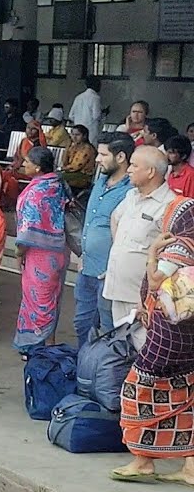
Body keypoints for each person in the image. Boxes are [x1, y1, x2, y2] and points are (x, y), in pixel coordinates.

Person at [110, 197, 194, 486]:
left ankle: (143, 461)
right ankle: (191, 467)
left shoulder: (179, 246)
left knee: (137, 389)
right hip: (187, 334)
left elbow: (157, 281)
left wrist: (152, 254)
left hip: (167, 335)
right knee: (185, 395)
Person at [107, 146, 178, 349]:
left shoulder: (170, 205)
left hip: (143, 298)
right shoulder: (131, 196)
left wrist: (151, 295)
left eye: (134, 165)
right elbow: (115, 218)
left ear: (151, 172)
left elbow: (172, 258)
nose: (128, 169)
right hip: (118, 289)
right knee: (119, 351)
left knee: (145, 350)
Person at [74, 133, 134, 349]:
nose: (97, 159)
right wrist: (83, 255)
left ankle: (109, 375)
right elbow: (90, 221)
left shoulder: (131, 190)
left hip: (109, 273)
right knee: (82, 325)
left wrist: (114, 267)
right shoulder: (100, 181)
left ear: (120, 157)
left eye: (102, 154)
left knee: (110, 328)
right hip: (87, 268)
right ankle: (86, 370)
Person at [13, 147, 71, 358]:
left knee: (36, 300)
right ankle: (49, 342)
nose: (23, 164)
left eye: (27, 161)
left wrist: (19, 254)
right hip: (58, 251)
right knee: (51, 298)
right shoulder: (57, 184)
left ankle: (35, 346)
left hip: (38, 254)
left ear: (37, 167)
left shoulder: (35, 193)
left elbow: (27, 231)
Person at [61, 124, 97, 190]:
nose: (74, 137)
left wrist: (62, 168)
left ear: (84, 136)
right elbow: (65, 162)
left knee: (57, 178)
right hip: (72, 173)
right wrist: (67, 147)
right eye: (73, 134)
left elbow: (76, 167)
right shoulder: (74, 147)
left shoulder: (87, 148)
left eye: (77, 135)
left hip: (83, 176)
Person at [69, 75, 103, 145]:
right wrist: (103, 114)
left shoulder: (78, 97)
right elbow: (96, 116)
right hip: (90, 132)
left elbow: (71, 116)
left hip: (78, 131)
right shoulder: (95, 98)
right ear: (96, 85)